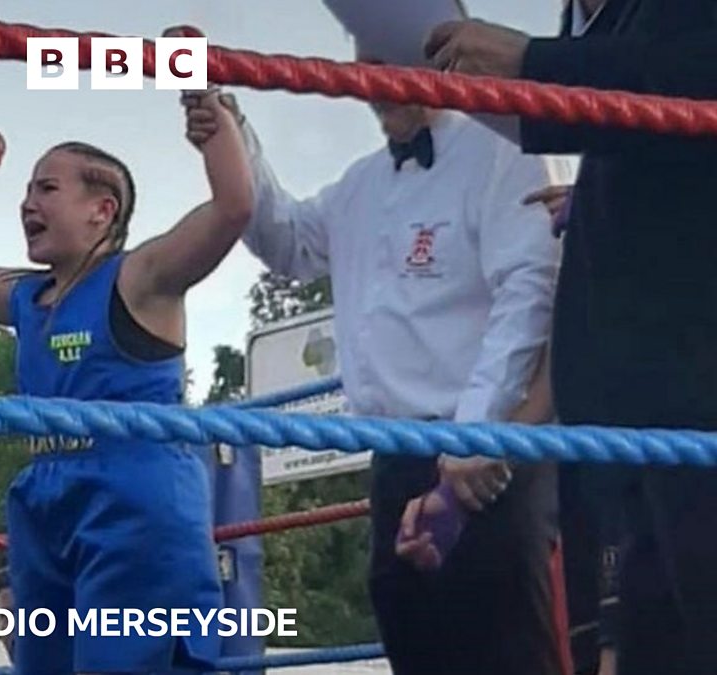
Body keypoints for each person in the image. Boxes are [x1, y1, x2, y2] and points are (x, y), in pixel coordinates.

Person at [183, 39, 567, 674]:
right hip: (394, 457)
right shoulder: (360, 184)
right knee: (414, 646)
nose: (378, 84)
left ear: (440, 62)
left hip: (490, 451)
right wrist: (231, 127)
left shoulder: (505, 150)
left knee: (508, 652)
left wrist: (475, 435)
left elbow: (527, 296)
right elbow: (286, 241)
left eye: (393, 65)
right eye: (370, 67)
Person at [0, 63, 252, 673]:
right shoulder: (28, 296)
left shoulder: (142, 277)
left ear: (102, 210)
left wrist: (207, 106)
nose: (27, 202)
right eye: (26, 190)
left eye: (47, 188)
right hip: (46, 497)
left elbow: (233, 208)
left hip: (137, 495)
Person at [426, 3, 717, 674]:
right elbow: (665, 145)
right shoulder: (597, 18)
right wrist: (590, 201)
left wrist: (533, 66)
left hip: (692, 407)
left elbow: (695, 72)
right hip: (623, 430)